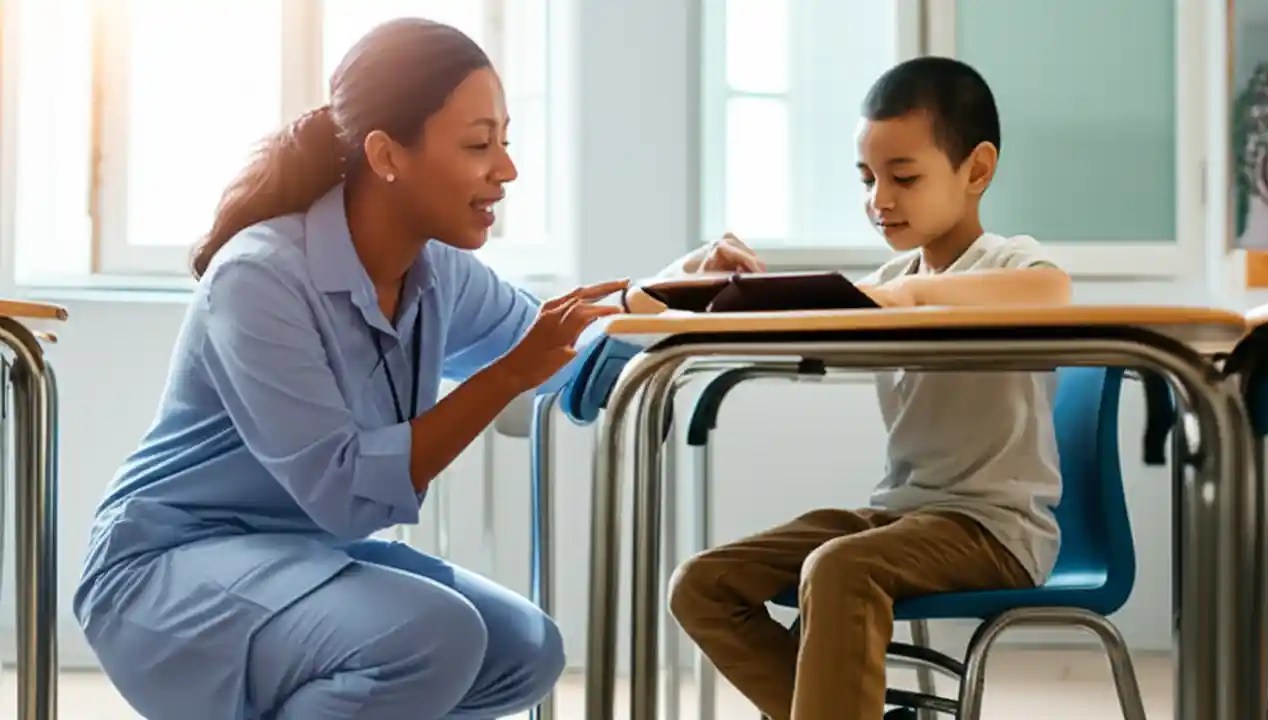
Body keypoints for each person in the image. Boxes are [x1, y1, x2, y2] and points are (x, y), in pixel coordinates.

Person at [73, 18, 761, 720]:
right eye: (477, 144)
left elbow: (567, 364)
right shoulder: (260, 278)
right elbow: (344, 494)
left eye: (506, 140)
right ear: (386, 154)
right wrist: (506, 376)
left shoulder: (442, 274)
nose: (507, 169)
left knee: (525, 647)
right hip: (169, 570)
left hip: (302, 560)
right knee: (432, 635)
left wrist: (671, 292)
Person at [667, 57, 1074, 720]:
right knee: (703, 585)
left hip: (995, 530)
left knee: (840, 568)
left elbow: (1051, 293)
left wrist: (908, 296)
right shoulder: (888, 278)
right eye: (868, 178)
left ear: (976, 170)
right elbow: (830, 328)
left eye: (904, 177)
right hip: (903, 513)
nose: (879, 199)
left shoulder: (1007, 261)